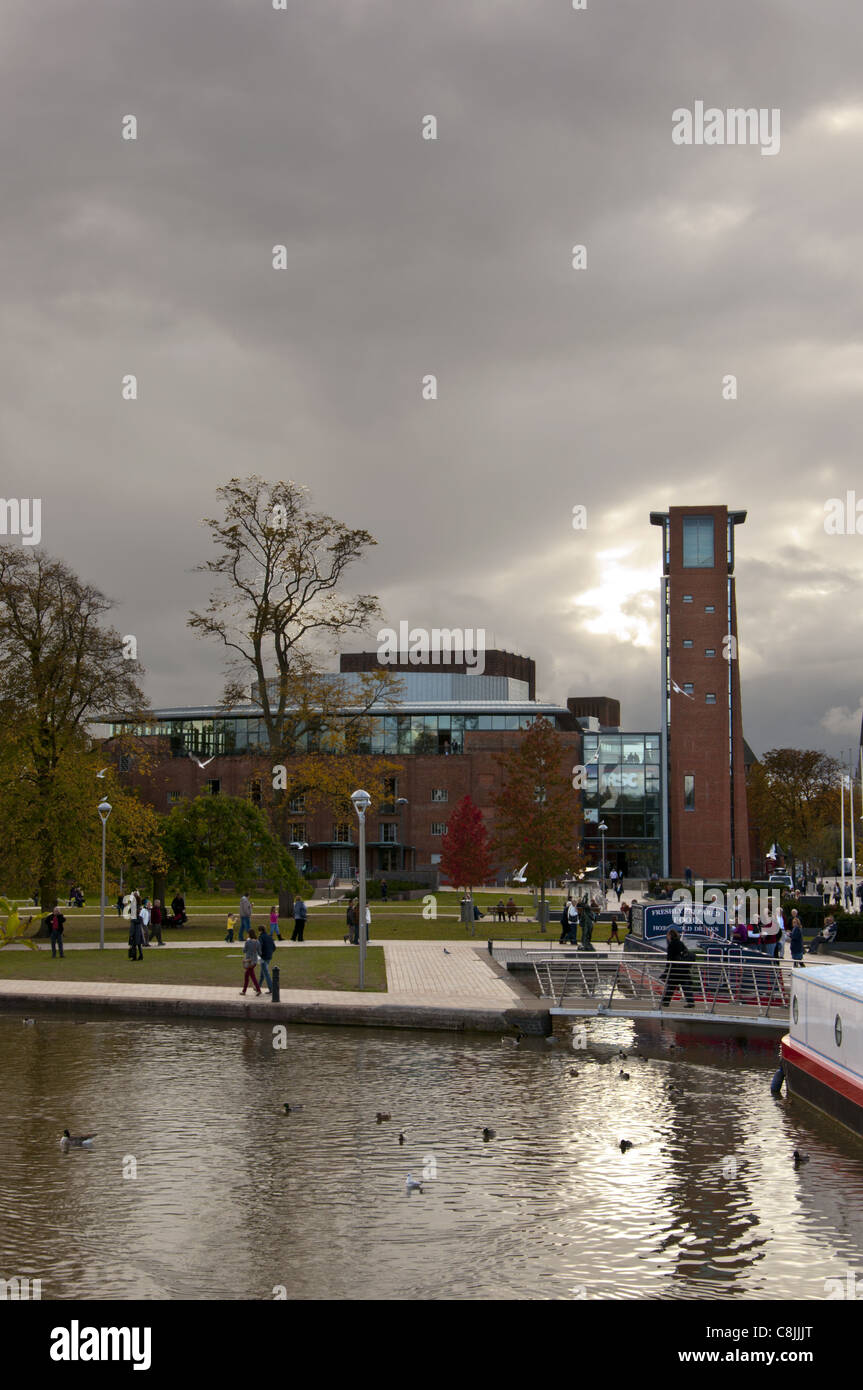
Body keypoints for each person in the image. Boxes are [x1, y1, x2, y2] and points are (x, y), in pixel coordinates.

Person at [660, 928, 695, 1007]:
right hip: (683, 968)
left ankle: (666, 1002)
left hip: (675, 969)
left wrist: (666, 971)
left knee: (671, 986)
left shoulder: (671, 945)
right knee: (686, 987)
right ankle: (691, 1002)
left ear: (670, 936)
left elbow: (669, 959)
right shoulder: (680, 943)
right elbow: (686, 951)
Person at [240, 929, 262, 995]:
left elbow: (244, 951)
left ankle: (258, 990)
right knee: (247, 975)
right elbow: (260, 952)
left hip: (249, 961)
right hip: (254, 961)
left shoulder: (248, 942)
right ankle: (244, 991)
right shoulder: (258, 942)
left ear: (249, 934)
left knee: (252, 976)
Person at [258, 925, 276, 992]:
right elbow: (274, 947)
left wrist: (259, 955)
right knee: (263, 972)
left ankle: (271, 988)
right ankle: (258, 986)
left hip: (263, 957)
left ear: (260, 931)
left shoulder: (261, 937)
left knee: (266, 973)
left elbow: (259, 947)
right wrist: (270, 952)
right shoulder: (269, 937)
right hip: (269, 956)